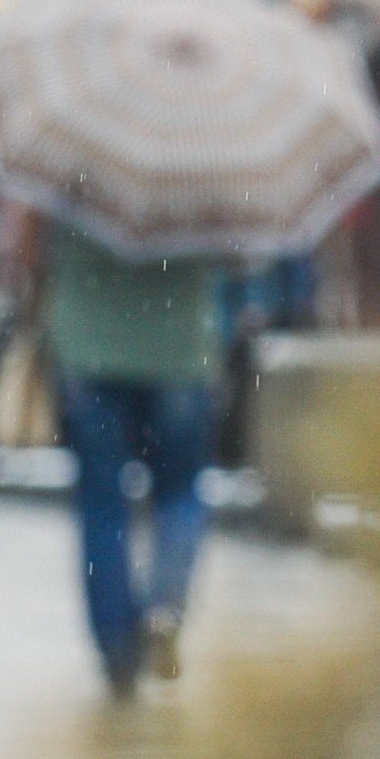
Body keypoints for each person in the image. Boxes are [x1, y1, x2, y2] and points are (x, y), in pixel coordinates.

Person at [38, 216, 224, 697]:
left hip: (90, 344)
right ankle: (165, 606)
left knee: (102, 505)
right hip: (179, 346)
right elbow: (235, 256)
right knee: (181, 491)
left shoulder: (81, 151)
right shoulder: (201, 161)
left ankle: (117, 647)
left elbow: (32, 248)